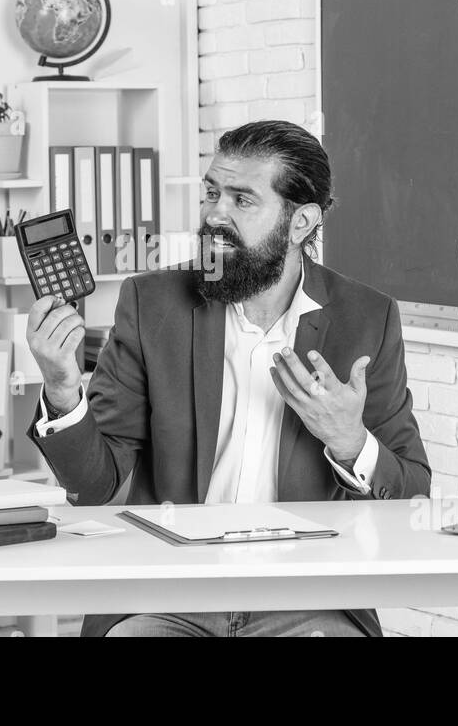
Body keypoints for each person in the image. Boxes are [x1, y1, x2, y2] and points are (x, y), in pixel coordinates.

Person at [25, 120, 430, 637]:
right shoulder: (152, 304)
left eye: (242, 200)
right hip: (168, 595)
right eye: (212, 193)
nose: (215, 214)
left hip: (309, 599)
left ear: (300, 222)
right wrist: (62, 390)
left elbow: (413, 497)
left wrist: (350, 441)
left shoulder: (367, 318)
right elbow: (94, 485)